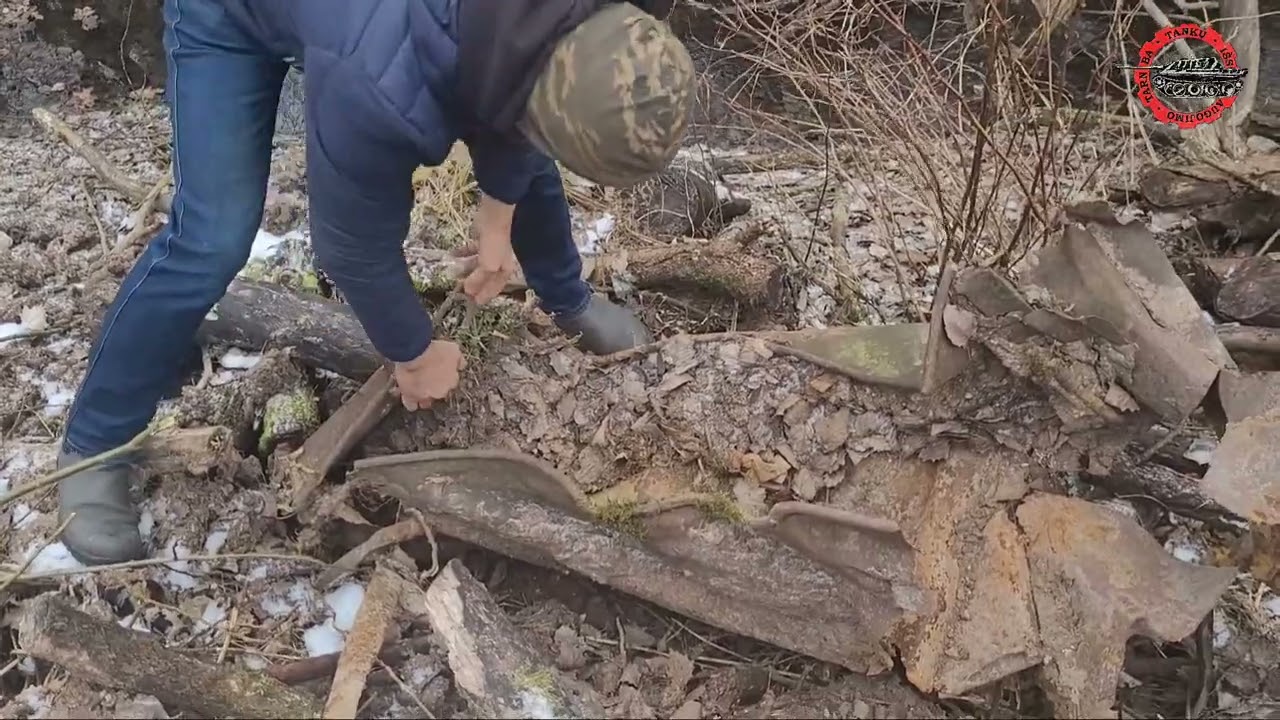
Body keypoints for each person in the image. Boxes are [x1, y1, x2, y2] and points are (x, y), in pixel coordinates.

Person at [55, 0, 695, 566]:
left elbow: (518, 111)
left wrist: (499, 215)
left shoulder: (564, 22)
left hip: (368, 27)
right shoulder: (383, 85)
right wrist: (413, 352)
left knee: (530, 145)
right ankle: (93, 445)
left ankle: (569, 298)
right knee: (211, 237)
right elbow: (352, 247)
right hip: (233, 18)